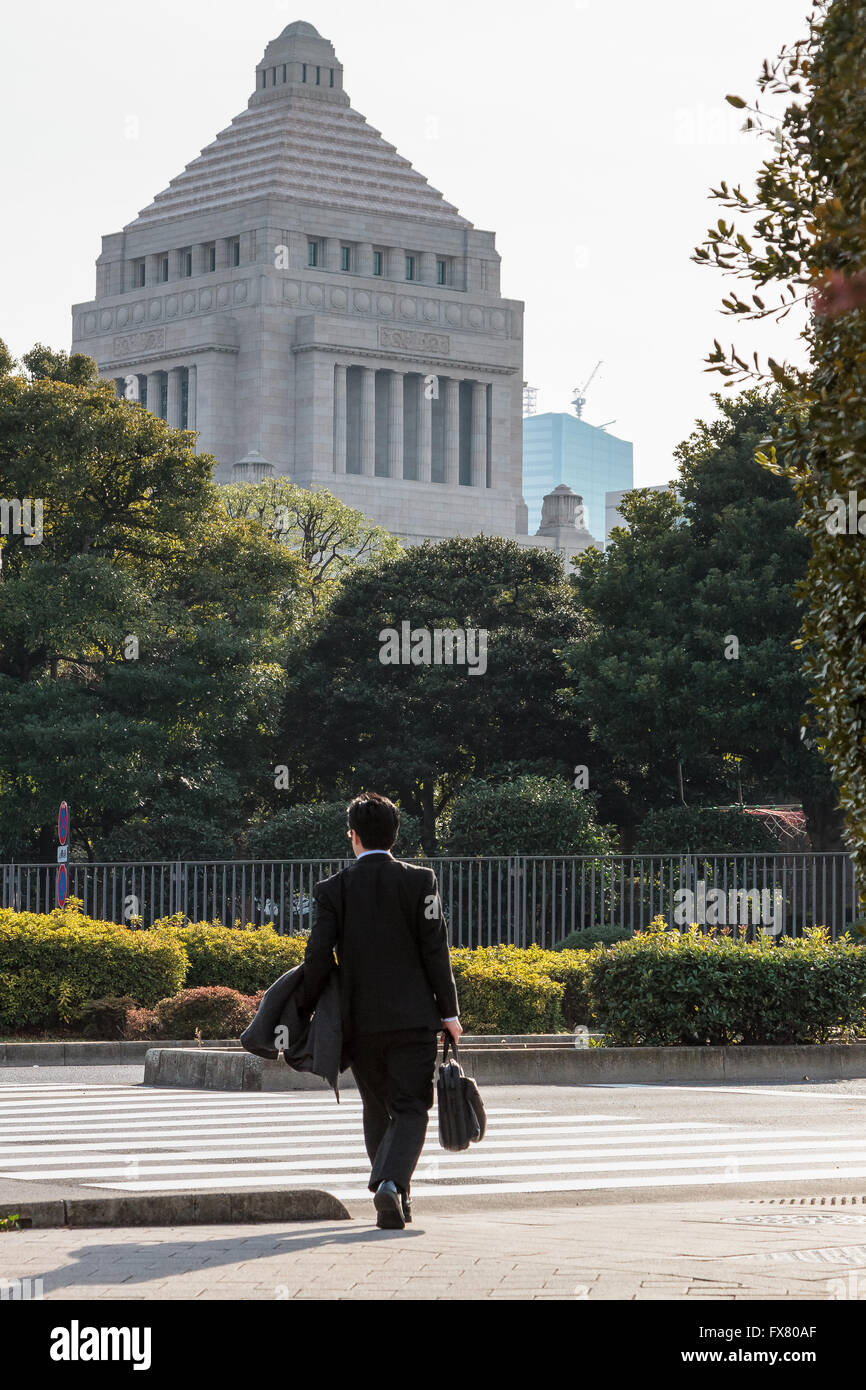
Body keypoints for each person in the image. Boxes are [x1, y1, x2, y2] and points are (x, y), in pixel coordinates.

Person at [298, 792, 462, 1230]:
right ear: (395, 834)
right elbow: (435, 951)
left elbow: (317, 958)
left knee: (376, 1106)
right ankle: (391, 1185)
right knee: (411, 1107)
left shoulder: (332, 890)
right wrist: (449, 1013)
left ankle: (395, 1196)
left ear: (353, 837)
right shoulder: (420, 881)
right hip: (414, 1020)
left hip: (360, 1023)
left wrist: (303, 1009)